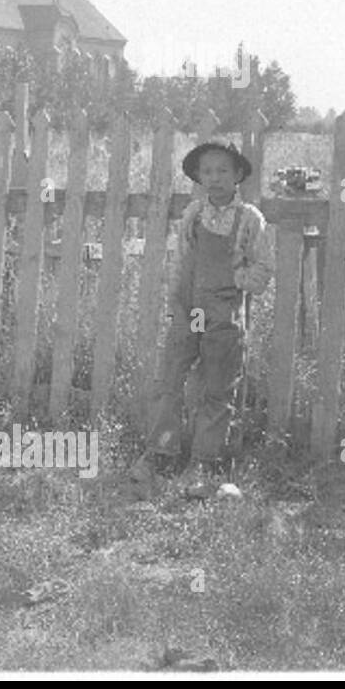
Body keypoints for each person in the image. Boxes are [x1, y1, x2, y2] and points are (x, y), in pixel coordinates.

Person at [133, 140, 274, 493]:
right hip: (191, 310)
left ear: (238, 174)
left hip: (225, 315)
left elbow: (263, 269)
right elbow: (182, 263)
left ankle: (202, 464)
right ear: (198, 176)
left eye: (223, 170)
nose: (214, 178)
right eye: (207, 171)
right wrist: (177, 306)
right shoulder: (194, 215)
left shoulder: (249, 219)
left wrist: (236, 280)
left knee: (217, 389)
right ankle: (158, 454)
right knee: (170, 381)